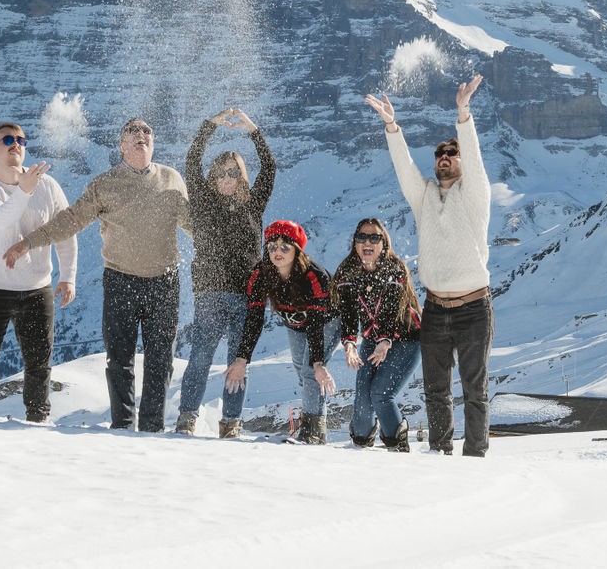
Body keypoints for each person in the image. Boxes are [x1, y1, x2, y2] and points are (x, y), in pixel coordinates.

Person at [5, 118, 189, 432]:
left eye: (147, 132)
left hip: (164, 281)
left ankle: (153, 428)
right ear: (121, 146)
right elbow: (71, 220)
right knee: (119, 360)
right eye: (133, 132)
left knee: (161, 360)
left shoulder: (172, 179)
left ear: (153, 143)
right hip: (120, 281)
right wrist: (30, 241)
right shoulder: (104, 184)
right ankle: (122, 426)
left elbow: (195, 223)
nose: (141, 136)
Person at [366, 74, 493, 457]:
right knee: (436, 390)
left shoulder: (475, 194)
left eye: (451, 154)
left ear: (461, 162)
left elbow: (473, 156)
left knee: (474, 390)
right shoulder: (423, 198)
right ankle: (439, 455)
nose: (444, 157)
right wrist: (392, 126)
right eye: (440, 153)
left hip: (474, 309)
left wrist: (463, 113)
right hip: (435, 309)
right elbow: (405, 168)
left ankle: (475, 457)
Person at [0, 122, 78, 423]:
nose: (17, 144)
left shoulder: (48, 186)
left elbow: (65, 231)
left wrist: (68, 275)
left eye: (21, 140)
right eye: (8, 140)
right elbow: (1, 221)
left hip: (36, 288)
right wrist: (24, 191)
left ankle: (38, 422)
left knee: (39, 364)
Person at [176, 108, 276, 438]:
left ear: (241, 175)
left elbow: (270, 167)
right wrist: (210, 125)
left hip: (247, 297)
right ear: (213, 175)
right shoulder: (202, 200)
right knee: (201, 358)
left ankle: (230, 424)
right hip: (211, 295)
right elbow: (191, 162)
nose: (226, 178)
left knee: (238, 363)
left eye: (233, 172)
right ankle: (186, 419)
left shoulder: (254, 203)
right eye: (220, 172)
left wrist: (251, 129)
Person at [225, 220, 337, 444]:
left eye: (285, 247)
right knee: (301, 371)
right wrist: (241, 359)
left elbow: (316, 323)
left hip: (327, 322)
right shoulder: (260, 274)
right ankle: (317, 422)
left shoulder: (314, 276)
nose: (278, 251)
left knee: (309, 370)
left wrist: (318, 363)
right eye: (272, 246)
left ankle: (313, 433)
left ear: (297, 250)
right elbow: (255, 318)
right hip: (295, 324)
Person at [333, 217, 422, 451]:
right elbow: (349, 314)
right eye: (362, 237)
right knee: (362, 403)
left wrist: (385, 341)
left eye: (374, 237)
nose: (367, 242)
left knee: (380, 395)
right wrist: (350, 343)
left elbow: (391, 310)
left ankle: (397, 448)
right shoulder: (347, 273)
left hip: (405, 340)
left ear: (384, 243)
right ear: (355, 242)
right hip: (373, 340)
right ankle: (360, 449)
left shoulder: (394, 270)